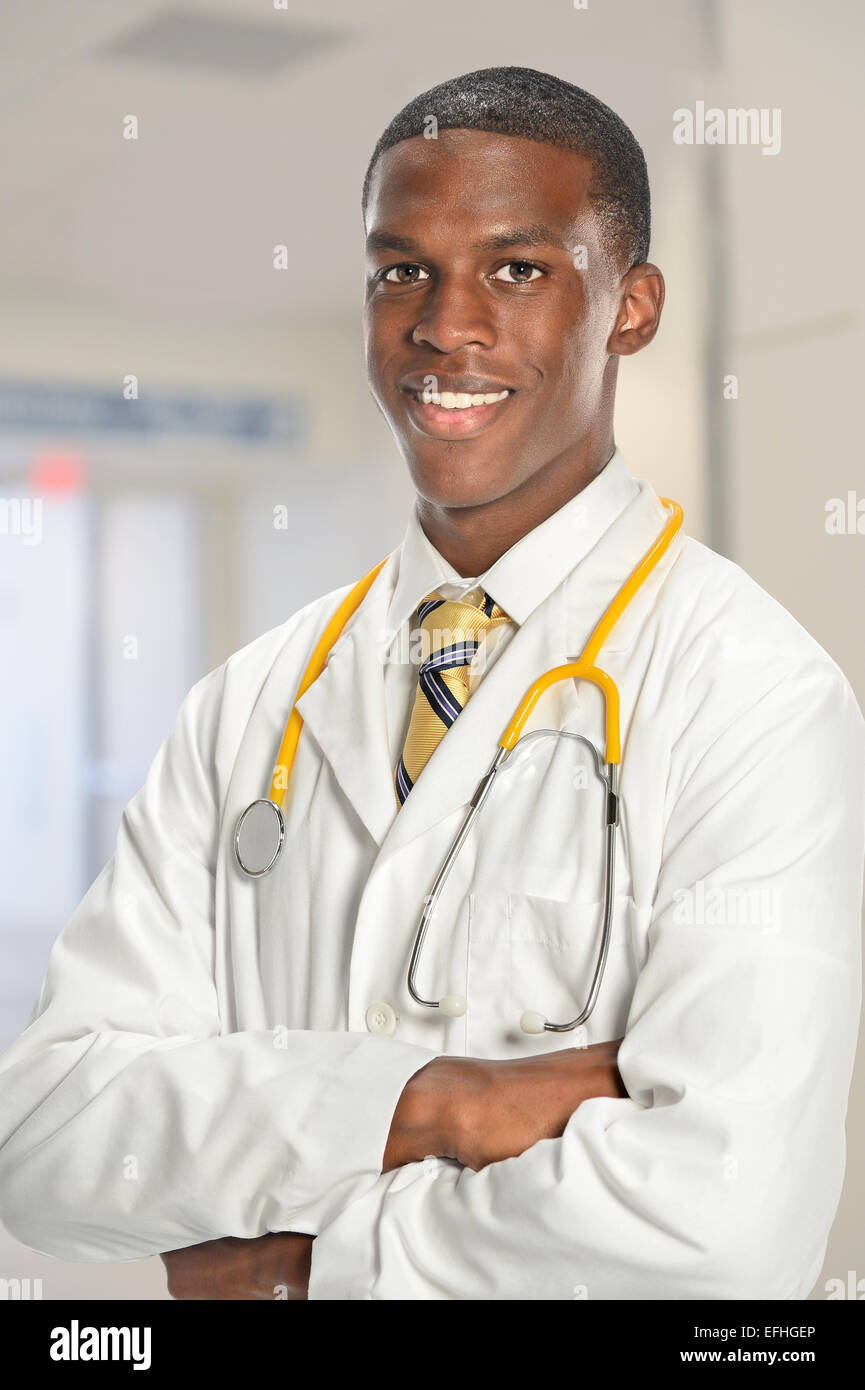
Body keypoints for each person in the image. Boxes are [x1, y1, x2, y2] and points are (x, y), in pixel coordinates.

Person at [0, 66, 863, 1302]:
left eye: (518, 269)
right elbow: (40, 1139)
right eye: (401, 269)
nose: (445, 326)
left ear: (631, 307)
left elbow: (725, 1226)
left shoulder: (752, 693)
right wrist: (437, 1105)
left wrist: (315, 1275)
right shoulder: (250, 704)